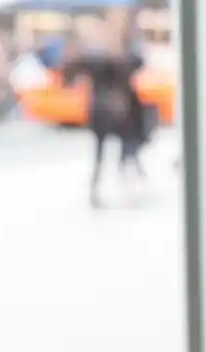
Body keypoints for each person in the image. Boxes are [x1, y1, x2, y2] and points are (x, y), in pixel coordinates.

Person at [66, 9, 146, 208]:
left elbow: (137, 64)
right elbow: (73, 71)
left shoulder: (124, 53)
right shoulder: (98, 55)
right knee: (105, 153)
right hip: (105, 110)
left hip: (120, 110)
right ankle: (102, 189)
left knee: (124, 150)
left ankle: (124, 186)